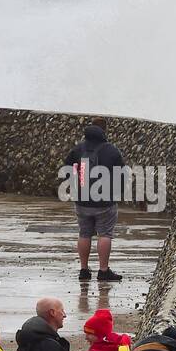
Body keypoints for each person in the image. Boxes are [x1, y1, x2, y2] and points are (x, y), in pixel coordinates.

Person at [63, 118, 126, 283]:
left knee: (84, 233)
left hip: (82, 200)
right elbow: (121, 173)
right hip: (104, 201)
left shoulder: (78, 149)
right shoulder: (111, 150)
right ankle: (103, 271)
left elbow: (67, 168)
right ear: (104, 131)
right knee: (105, 234)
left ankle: (84, 270)